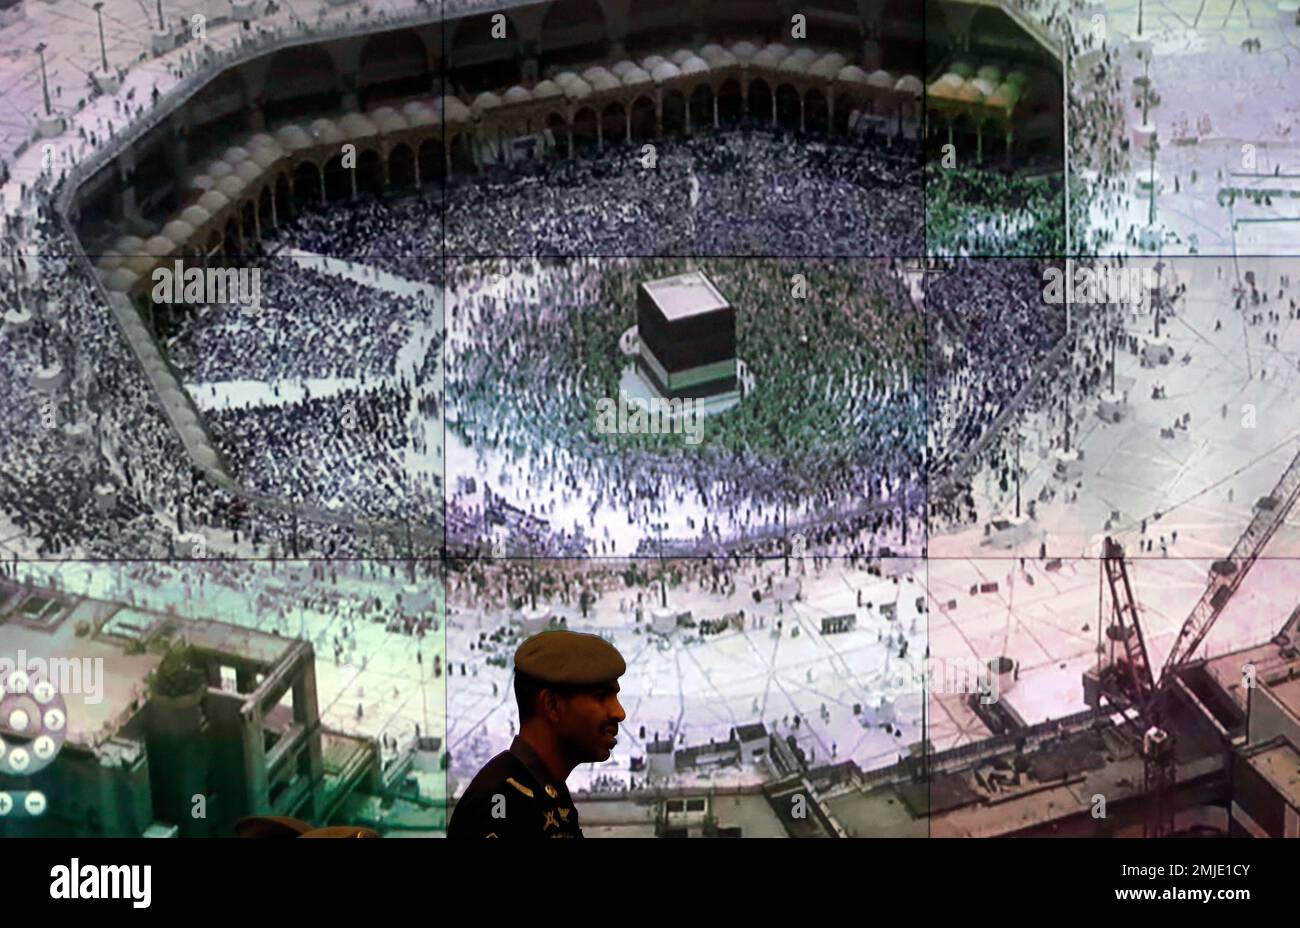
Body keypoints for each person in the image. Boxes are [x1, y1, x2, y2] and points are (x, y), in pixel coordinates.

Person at [447, 630, 627, 839]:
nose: (619, 713)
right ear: (552, 706)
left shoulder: (546, 793)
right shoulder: (498, 803)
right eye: (601, 696)